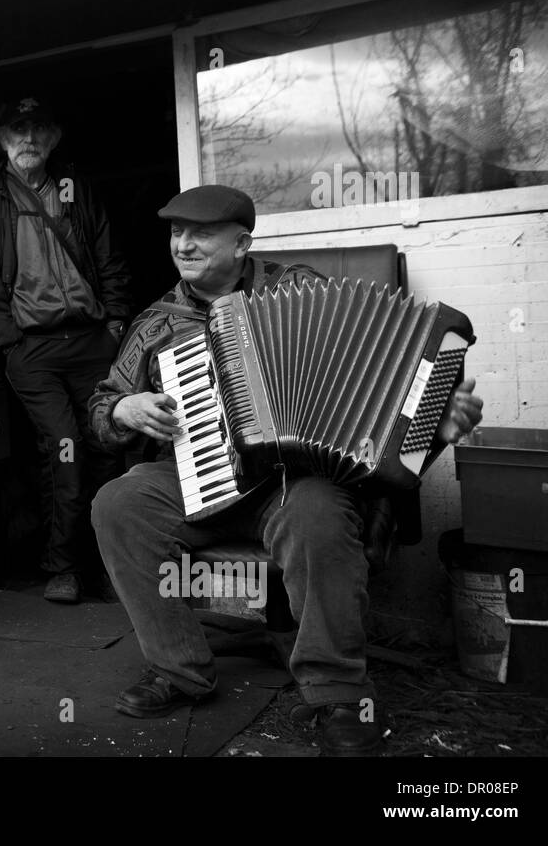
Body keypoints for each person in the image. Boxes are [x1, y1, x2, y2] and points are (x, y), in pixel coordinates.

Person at [88, 184, 483, 755]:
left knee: (316, 512)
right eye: (176, 232)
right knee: (117, 504)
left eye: (200, 232)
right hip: (199, 480)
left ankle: (337, 693)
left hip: (292, 483)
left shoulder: (300, 290)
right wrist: (123, 409)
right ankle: (179, 671)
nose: (184, 243)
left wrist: (435, 421)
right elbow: (101, 410)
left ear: (242, 243)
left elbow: (383, 396)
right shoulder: (154, 323)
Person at [0, 97, 132, 604]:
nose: (29, 138)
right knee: (64, 447)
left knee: (108, 445)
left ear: (55, 137)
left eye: (39, 127)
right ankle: (62, 566)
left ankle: (108, 564)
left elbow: (109, 256)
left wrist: (116, 323)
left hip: (91, 341)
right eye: (17, 128)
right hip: (33, 348)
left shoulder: (74, 186)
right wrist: (9, 345)